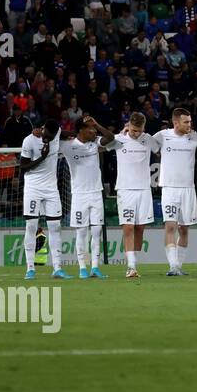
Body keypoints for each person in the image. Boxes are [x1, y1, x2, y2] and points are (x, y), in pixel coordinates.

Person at [153, 107, 197, 276]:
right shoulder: (162, 136)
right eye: (186, 122)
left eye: (190, 121)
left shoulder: (196, 137)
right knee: (170, 226)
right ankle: (173, 266)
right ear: (175, 122)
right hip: (169, 188)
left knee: (184, 229)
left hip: (188, 189)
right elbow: (142, 141)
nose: (189, 125)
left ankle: (179, 266)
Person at [110, 113, 161, 278]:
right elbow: (101, 145)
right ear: (128, 126)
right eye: (133, 130)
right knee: (128, 227)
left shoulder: (148, 139)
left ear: (144, 128)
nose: (136, 134)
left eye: (139, 131)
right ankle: (130, 267)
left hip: (144, 190)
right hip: (125, 190)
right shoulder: (119, 139)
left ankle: (134, 264)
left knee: (140, 228)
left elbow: (161, 150)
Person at [64, 116, 115, 279]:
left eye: (94, 129)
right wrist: (69, 133)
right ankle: (82, 268)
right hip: (79, 195)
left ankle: (95, 267)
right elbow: (52, 137)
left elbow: (111, 137)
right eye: (90, 128)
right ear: (81, 130)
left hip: (96, 193)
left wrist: (97, 124)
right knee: (81, 232)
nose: (93, 131)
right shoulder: (69, 146)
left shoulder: (95, 143)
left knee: (97, 231)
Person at [20, 119, 65, 280]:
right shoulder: (29, 141)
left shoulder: (56, 133)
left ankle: (57, 268)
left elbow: (69, 135)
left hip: (51, 189)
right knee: (31, 225)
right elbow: (23, 167)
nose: (50, 138)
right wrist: (42, 157)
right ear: (41, 129)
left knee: (55, 226)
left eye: (53, 136)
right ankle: (30, 268)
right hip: (33, 188)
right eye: (48, 135)